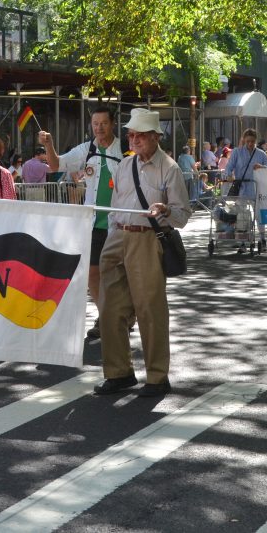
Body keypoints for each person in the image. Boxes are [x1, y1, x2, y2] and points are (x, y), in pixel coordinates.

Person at [94, 109, 190, 398]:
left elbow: (183, 215)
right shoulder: (124, 165)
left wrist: (166, 210)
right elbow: (115, 205)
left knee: (150, 310)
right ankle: (118, 373)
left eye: (139, 135)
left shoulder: (169, 167)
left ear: (154, 137)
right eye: (131, 134)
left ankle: (157, 376)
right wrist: (113, 234)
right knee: (109, 309)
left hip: (147, 240)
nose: (133, 139)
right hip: (118, 236)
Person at [40, 105, 123, 339]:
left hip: (121, 223)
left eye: (103, 123)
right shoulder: (86, 150)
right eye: (95, 124)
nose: (99, 128)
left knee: (120, 275)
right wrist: (48, 144)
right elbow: (56, 165)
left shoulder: (126, 150)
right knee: (92, 274)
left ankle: (125, 315)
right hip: (95, 223)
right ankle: (106, 316)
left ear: (113, 123)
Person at [223, 128, 267, 252]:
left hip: (257, 188)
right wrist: (228, 175)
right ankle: (242, 243)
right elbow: (228, 167)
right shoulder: (237, 152)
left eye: (252, 141)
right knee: (242, 216)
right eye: (248, 141)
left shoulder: (261, 153)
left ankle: (262, 239)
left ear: (256, 140)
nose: (250, 144)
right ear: (244, 140)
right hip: (241, 189)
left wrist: (262, 166)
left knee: (258, 216)